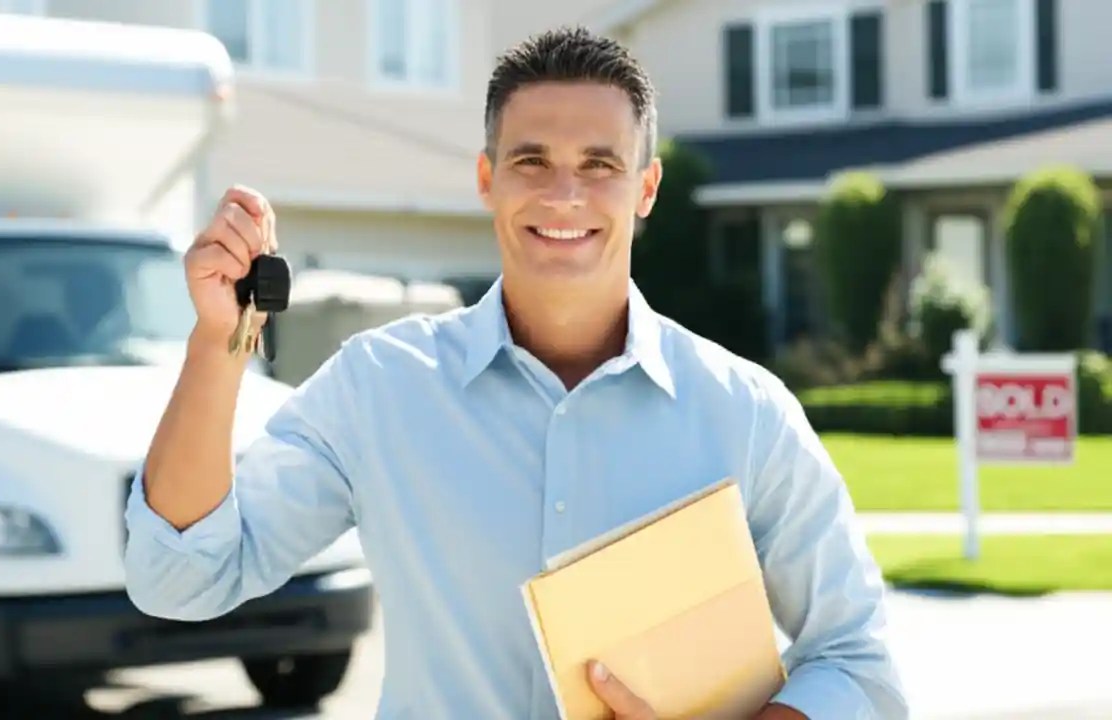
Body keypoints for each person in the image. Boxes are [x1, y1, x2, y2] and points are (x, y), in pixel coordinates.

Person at [124, 26, 908, 720]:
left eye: (599, 163)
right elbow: (179, 579)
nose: (564, 194)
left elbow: (860, 662)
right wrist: (217, 344)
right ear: (486, 178)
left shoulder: (746, 413)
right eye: (531, 160)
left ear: (645, 189)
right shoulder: (378, 388)